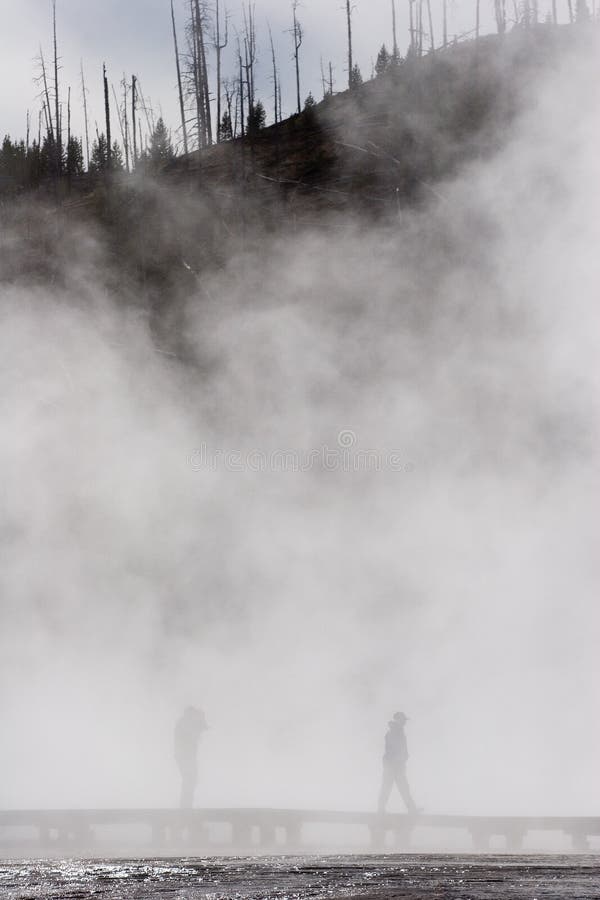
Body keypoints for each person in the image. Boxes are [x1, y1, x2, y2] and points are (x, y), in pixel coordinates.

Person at [377, 711, 418, 814]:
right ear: (398, 720)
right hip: (393, 766)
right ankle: (381, 809)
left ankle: (411, 809)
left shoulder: (397, 731)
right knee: (392, 787)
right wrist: (401, 758)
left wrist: (404, 756)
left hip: (395, 765)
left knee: (400, 787)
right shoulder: (394, 732)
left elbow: (400, 749)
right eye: (403, 720)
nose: (405, 722)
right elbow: (394, 749)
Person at [174, 706, 208, 809]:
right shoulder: (186, 724)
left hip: (185, 755)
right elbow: (195, 732)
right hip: (185, 756)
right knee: (190, 779)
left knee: (190, 779)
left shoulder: (185, 722)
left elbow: (201, 728)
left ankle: (186, 806)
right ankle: (186, 807)